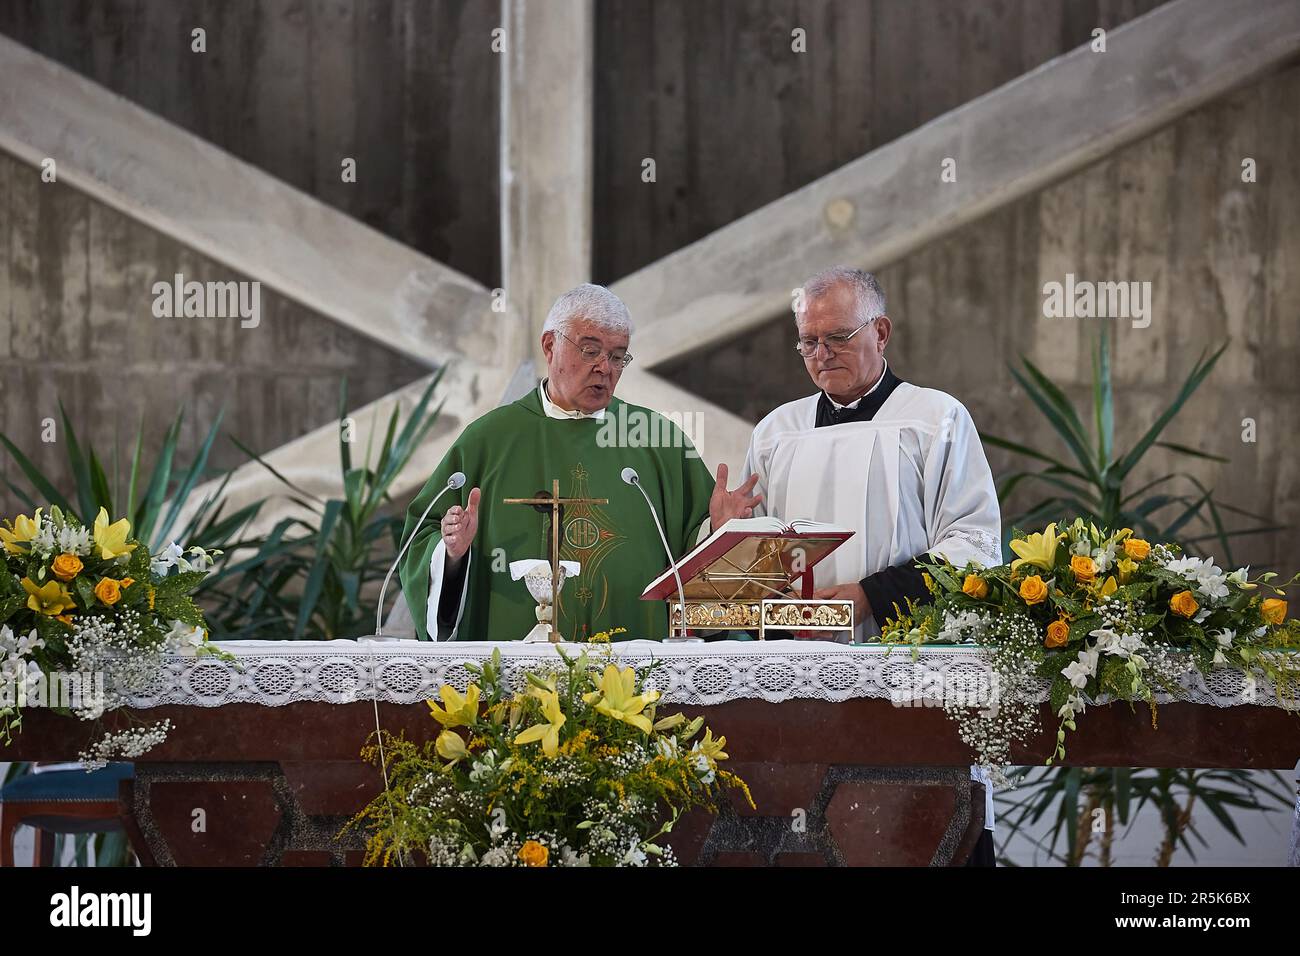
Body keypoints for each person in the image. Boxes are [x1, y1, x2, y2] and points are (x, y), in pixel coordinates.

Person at [742, 265, 1003, 865]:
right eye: (808, 340)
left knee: (916, 836)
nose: (820, 353)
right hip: (803, 678)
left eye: (836, 336)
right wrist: (731, 530)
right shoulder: (775, 433)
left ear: (881, 332)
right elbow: (758, 572)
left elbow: (974, 548)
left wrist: (867, 595)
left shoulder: (935, 419)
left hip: (910, 670)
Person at [398, 283, 761, 643]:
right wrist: (451, 553)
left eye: (618, 357)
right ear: (550, 346)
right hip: (513, 680)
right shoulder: (489, 440)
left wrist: (716, 533)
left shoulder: (655, 438)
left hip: (635, 676)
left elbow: (691, 560)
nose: (605, 368)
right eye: (590, 351)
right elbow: (421, 539)